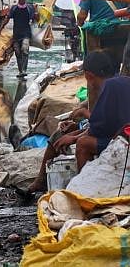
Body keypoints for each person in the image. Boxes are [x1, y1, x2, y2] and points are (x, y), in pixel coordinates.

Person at [26, 50, 116, 192]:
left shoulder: (111, 89)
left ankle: (85, 189)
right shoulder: (101, 87)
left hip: (114, 136)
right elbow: (98, 123)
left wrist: (75, 134)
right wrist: (75, 124)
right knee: (60, 134)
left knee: (82, 143)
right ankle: (41, 180)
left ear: (88, 75)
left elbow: (102, 125)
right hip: (103, 130)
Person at [0, 0, 36, 77]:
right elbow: (7, 19)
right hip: (16, 34)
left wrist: (36, 11)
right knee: (18, 53)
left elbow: (35, 19)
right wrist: (0, 29)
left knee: (25, 50)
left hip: (26, 33)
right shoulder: (14, 8)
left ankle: (24, 70)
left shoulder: (30, 8)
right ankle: (20, 71)